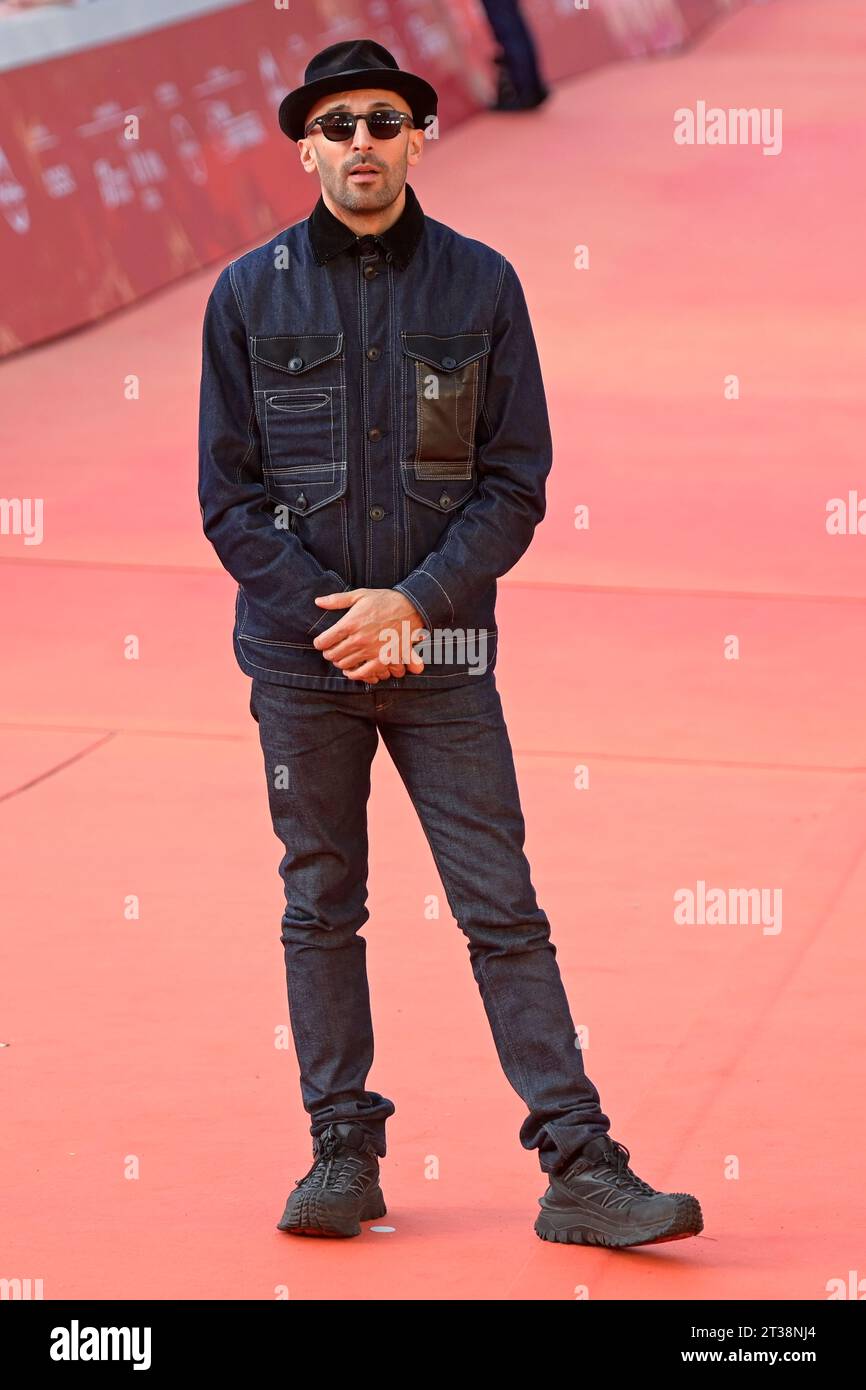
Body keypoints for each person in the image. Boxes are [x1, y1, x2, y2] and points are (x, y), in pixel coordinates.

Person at [197, 38, 703, 1248]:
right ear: (306, 145)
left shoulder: (479, 286)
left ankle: (578, 1164)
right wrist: (339, 618)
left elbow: (512, 484)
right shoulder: (246, 294)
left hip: (447, 656)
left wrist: (411, 606)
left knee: (502, 908)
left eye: (383, 120)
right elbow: (229, 499)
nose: (361, 142)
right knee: (320, 903)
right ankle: (340, 1152)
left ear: (418, 136)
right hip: (297, 660)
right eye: (338, 125)